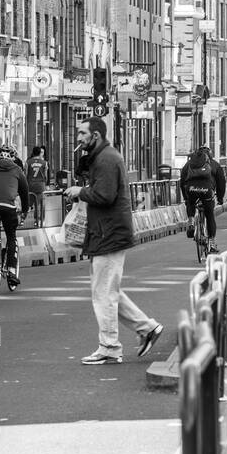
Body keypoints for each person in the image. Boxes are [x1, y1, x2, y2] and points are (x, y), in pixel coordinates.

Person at [65, 117, 163, 364]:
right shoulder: (103, 156)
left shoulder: (107, 159)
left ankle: (109, 347)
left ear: (95, 135)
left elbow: (105, 195)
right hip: (106, 231)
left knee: (104, 294)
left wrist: (80, 192)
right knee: (108, 290)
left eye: (81, 133)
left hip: (108, 232)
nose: (78, 138)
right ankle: (147, 328)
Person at [0, 144, 30, 288]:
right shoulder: (17, 170)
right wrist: (25, 210)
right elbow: (24, 192)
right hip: (8, 206)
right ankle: (11, 272)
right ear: (13, 157)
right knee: (11, 236)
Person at [180, 146, 225, 250]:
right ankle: (212, 242)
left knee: (191, 202)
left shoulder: (189, 164)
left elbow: (182, 182)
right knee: (209, 216)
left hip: (191, 190)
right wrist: (220, 198)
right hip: (206, 192)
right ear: (209, 155)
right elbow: (221, 182)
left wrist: (186, 198)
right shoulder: (215, 165)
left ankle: (191, 220)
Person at [26, 147, 50, 227]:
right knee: (39, 204)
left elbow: (25, 175)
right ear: (40, 153)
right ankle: (38, 221)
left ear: (33, 152)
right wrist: (45, 184)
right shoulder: (44, 163)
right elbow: (46, 176)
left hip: (30, 185)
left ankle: (22, 220)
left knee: (28, 204)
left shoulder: (28, 162)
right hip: (40, 185)